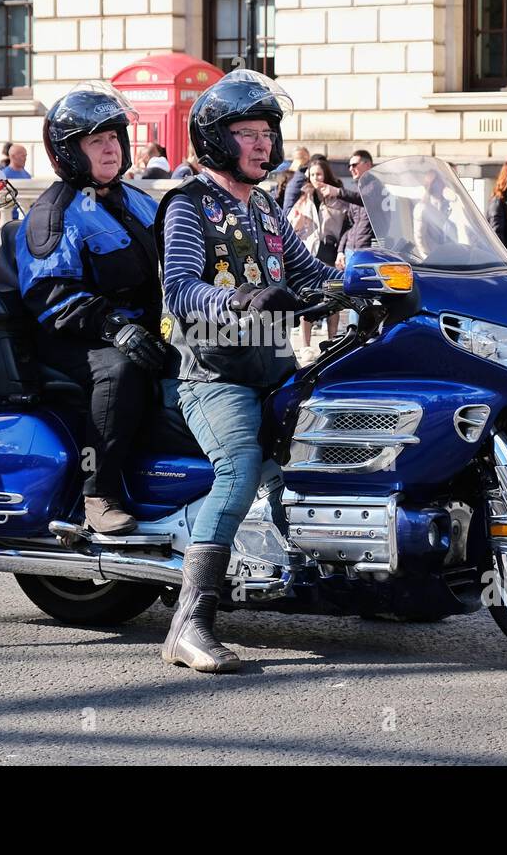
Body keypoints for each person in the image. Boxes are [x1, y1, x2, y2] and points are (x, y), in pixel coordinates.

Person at [158, 70, 341, 672]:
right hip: (215, 375)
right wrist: (236, 300)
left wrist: (375, 284)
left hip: (277, 369)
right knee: (238, 471)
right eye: (247, 132)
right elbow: (180, 290)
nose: (262, 144)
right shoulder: (188, 206)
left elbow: (310, 277)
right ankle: (189, 625)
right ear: (216, 139)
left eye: (267, 132)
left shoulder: (265, 208)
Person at [0, 82, 167, 534]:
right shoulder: (55, 213)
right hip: (71, 338)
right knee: (119, 372)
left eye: (113, 137)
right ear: (70, 152)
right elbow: (51, 295)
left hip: (145, 326)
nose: (110, 148)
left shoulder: (137, 200)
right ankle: (100, 492)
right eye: (96, 141)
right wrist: (116, 328)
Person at [288, 155, 364, 351]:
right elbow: (290, 221)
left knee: (333, 298)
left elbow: (350, 224)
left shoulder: (339, 197)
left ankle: (332, 342)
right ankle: (305, 347)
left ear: (326, 174)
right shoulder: (305, 196)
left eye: (319, 174)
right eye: (312, 174)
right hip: (310, 249)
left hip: (331, 249)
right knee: (309, 298)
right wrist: (295, 224)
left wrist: (342, 250)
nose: (316, 178)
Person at [281, 145, 312, 211]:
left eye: (303, 157)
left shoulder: (311, 173)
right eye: (298, 157)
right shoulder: (287, 174)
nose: (301, 159)